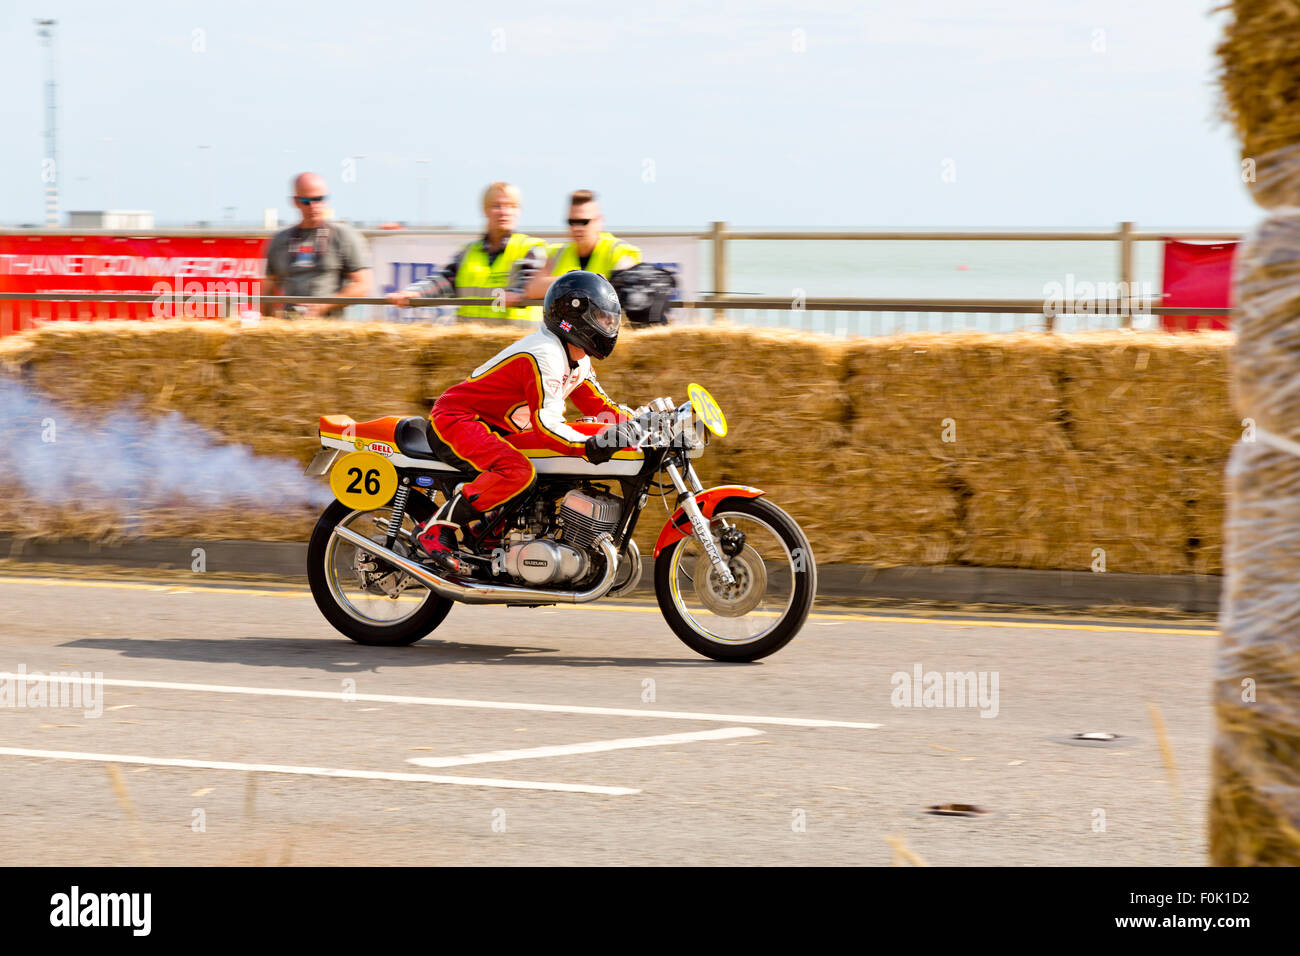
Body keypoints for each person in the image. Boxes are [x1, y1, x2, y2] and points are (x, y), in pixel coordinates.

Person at [413, 271, 642, 574]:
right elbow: (546, 425)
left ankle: (494, 527)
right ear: (573, 316)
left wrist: (644, 424)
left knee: (558, 471)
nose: (609, 326)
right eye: (602, 317)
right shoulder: (544, 355)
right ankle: (437, 528)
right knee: (518, 473)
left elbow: (601, 407)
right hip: (459, 419)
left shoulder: (578, 359)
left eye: (611, 319)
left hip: (498, 428)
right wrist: (589, 445)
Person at [387, 182, 548, 322]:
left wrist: (518, 294)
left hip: (516, 348)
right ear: (485, 211)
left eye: (511, 206)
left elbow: (530, 285)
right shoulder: (468, 253)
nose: (503, 212)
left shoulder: (530, 249)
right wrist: (413, 293)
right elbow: (443, 282)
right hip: (470, 348)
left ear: (518, 211)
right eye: (496, 205)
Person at [263, 173, 372, 317]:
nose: (313, 206)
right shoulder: (280, 240)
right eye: (306, 201)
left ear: (326, 199)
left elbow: (363, 285)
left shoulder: (342, 235)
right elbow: (268, 290)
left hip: (329, 330)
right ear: (295, 202)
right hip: (290, 329)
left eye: (318, 199)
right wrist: (271, 325)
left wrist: (324, 306)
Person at [524, 189, 641, 301]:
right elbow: (533, 289)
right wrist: (583, 281)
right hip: (566, 322)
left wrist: (566, 284)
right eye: (572, 222)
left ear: (599, 222)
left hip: (606, 321)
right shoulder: (556, 252)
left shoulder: (616, 250)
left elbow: (625, 283)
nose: (577, 228)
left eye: (584, 222)